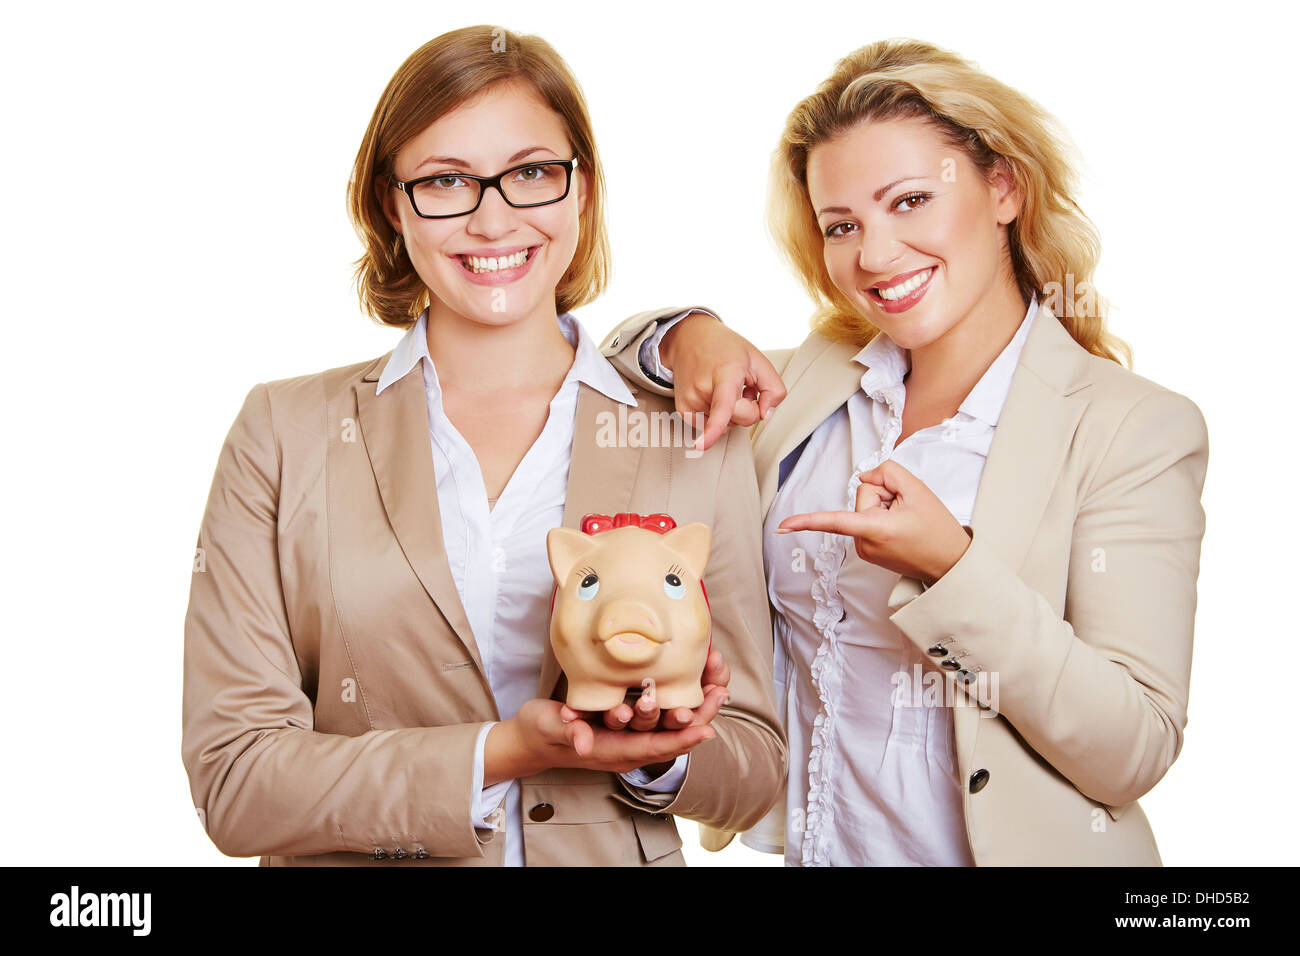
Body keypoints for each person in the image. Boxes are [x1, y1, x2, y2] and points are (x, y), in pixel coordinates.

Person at [181, 24, 784, 867]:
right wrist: (503, 752)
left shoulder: (689, 428)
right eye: (445, 181)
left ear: (582, 191)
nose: (492, 217)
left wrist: (662, 751)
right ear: (392, 206)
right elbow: (236, 783)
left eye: (532, 172)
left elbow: (757, 762)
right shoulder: (284, 433)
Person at [599, 38, 1208, 865]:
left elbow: (1133, 747)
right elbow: (601, 374)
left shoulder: (1131, 428)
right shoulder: (805, 388)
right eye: (842, 225)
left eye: (911, 201)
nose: (875, 257)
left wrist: (953, 568)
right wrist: (687, 335)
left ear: (1003, 187)